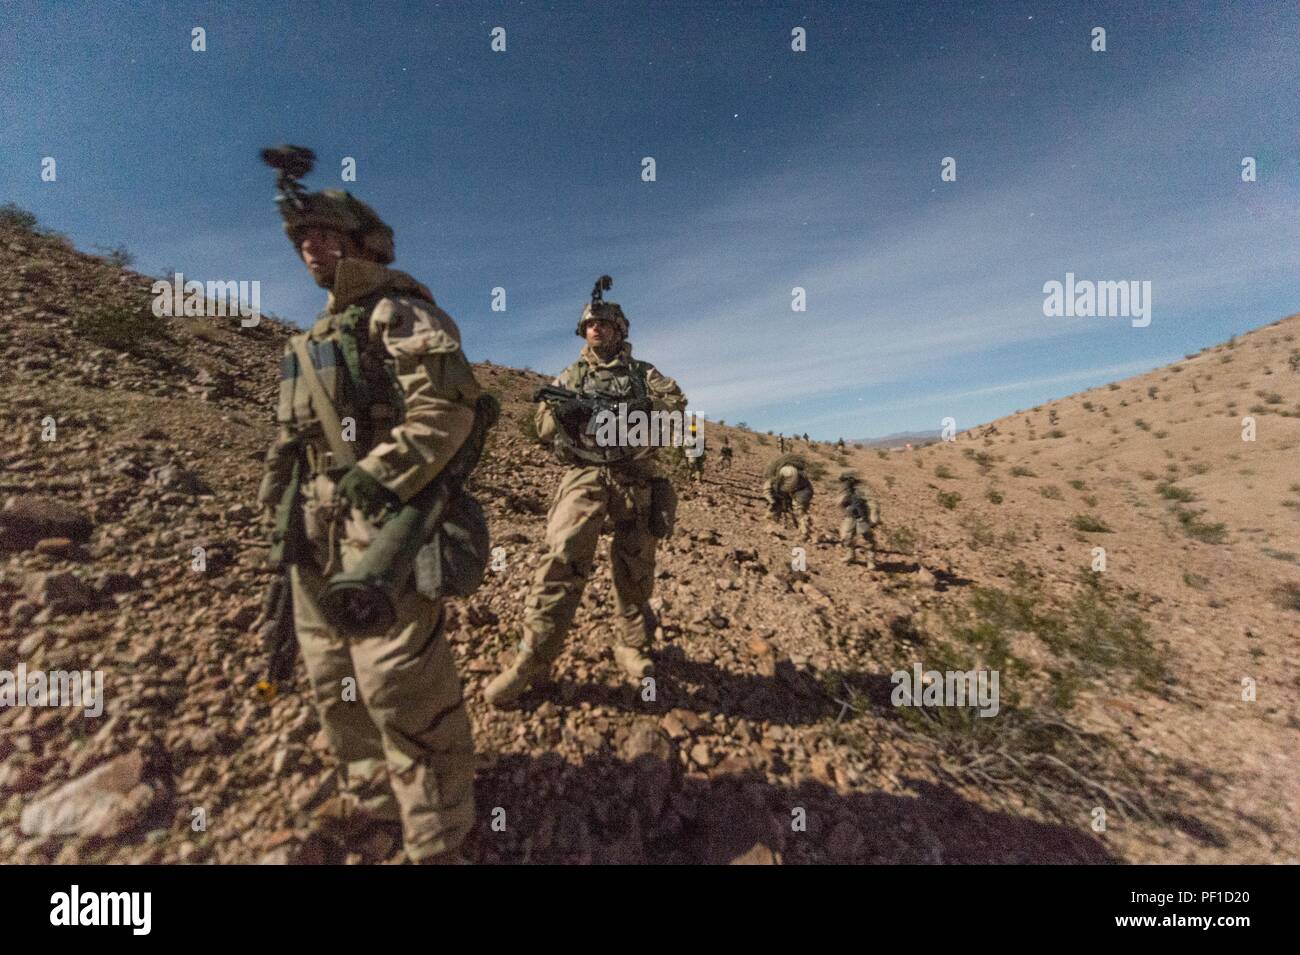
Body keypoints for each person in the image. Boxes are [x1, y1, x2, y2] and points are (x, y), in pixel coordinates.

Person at [255, 147, 482, 863]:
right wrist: (278, 516)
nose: (310, 247)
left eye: (324, 234)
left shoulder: (400, 312)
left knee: (399, 681)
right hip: (314, 525)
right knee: (332, 676)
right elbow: (288, 443)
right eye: (301, 238)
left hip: (387, 518)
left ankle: (441, 834)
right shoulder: (308, 341)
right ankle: (376, 802)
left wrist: (380, 475)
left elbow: (447, 410)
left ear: (360, 243)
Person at [484, 276, 686, 707]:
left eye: (603, 324)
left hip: (636, 478)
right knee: (561, 559)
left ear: (619, 330)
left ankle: (632, 646)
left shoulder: (643, 374)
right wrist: (565, 416)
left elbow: (676, 413)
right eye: (589, 325)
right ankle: (532, 660)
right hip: (585, 476)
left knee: (636, 570)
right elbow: (540, 426)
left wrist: (634, 413)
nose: (595, 329)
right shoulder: (570, 376)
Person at [763, 455, 813, 540]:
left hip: (800, 492)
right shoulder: (773, 479)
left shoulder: (803, 481)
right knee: (774, 508)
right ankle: (770, 529)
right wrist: (772, 502)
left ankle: (804, 534)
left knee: (800, 511)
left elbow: (805, 494)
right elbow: (767, 491)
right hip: (781, 493)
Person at [838, 471, 881, 568]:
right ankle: (850, 555)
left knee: (867, 539)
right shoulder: (846, 490)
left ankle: (871, 561)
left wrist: (873, 518)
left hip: (863, 517)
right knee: (845, 537)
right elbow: (841, 502)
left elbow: (872, 503)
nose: (844, 483)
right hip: (850, 516)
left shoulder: (863, 490)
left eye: (846, 481)